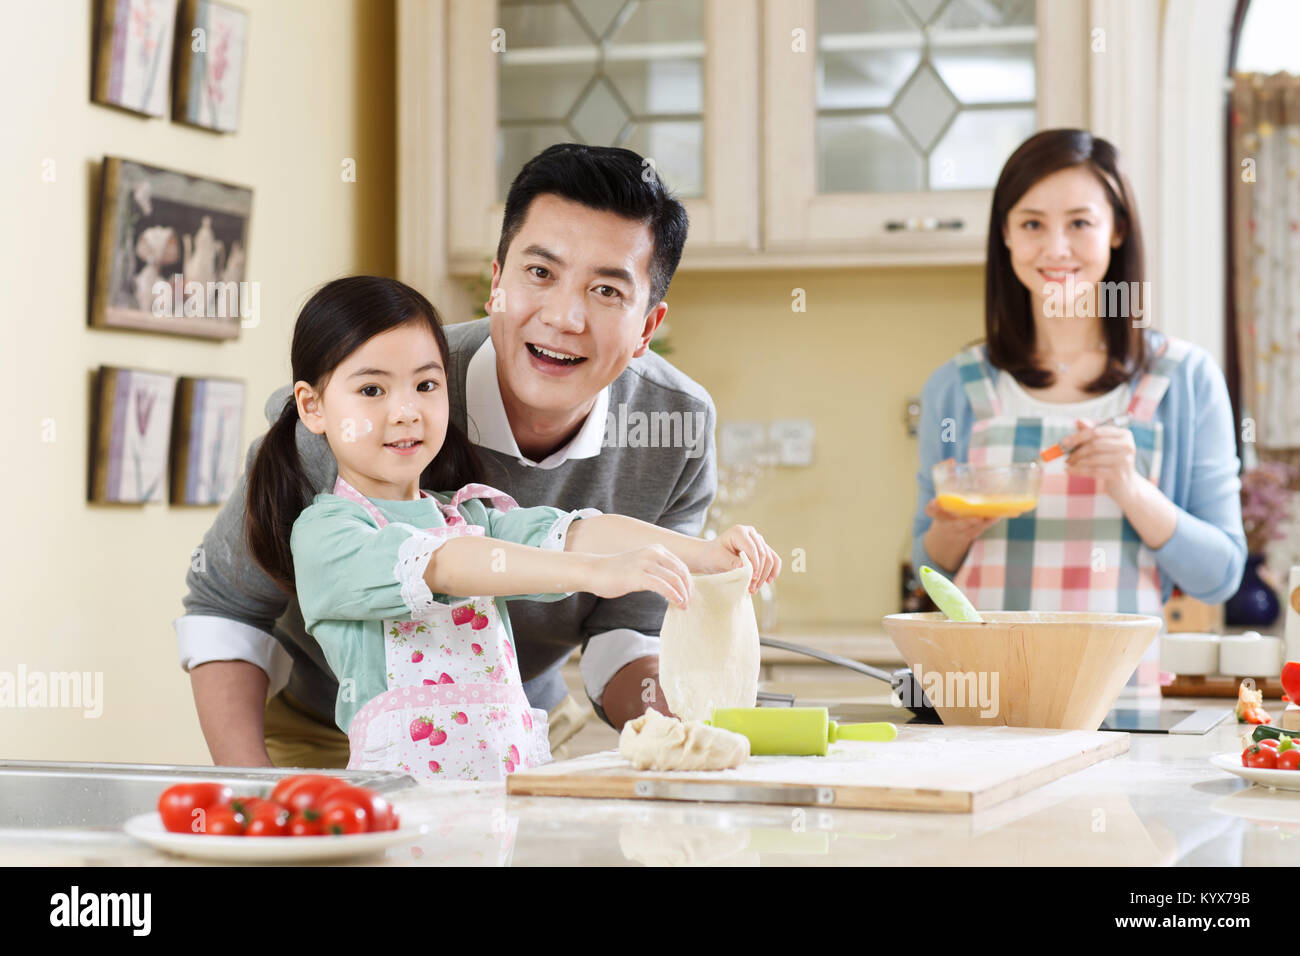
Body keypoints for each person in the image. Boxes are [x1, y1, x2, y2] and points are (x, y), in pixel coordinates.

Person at [176, 144, 723, 768]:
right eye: (540, 274)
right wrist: (255, 793)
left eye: (605, 290)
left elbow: (618, 618)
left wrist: (685, 731)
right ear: (497, 281)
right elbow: (229, 609)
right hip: (325, 731)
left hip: (511, 733)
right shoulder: (358, 413)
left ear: (647, 327)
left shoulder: (675, 426)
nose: (564, 317)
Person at [242, 276, 778, 781]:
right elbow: (445, 565)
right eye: (372, 391)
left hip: (508, 794)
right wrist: (597, 573)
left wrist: (704, 553)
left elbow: (577, 532)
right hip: (405, 806)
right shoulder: (328, 534)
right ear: (313, 407)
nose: (406, 411)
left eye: (425, 384)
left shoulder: (469, 514)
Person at [912, 129, 1246, 614]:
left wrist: (1132, 491)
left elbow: (1220, 577)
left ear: (1117, 230)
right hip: (989, 686)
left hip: (1124, 688)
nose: (1056, 248)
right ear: (1005, 234)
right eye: (1031, 224)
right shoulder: (954, 387)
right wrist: (952, 531)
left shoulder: (1185, 379)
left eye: (1079, 223)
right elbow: (930, 572)